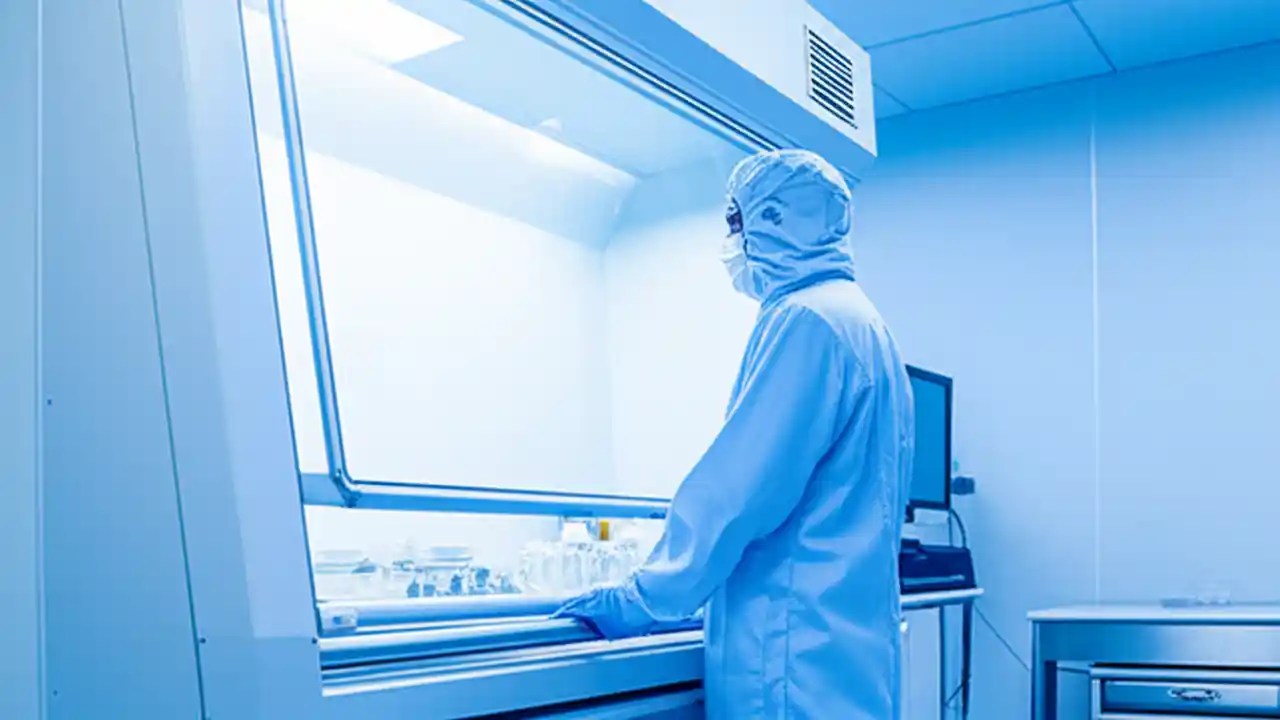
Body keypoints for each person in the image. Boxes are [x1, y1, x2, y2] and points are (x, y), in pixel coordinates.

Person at [554, 149, 915, 719]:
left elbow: (739, 491)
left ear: (771, 219)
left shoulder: (806, 320)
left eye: (734, 223)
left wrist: (645, 597)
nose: (731, 243)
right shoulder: (863, 321)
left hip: (792, 656)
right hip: (840, 653)